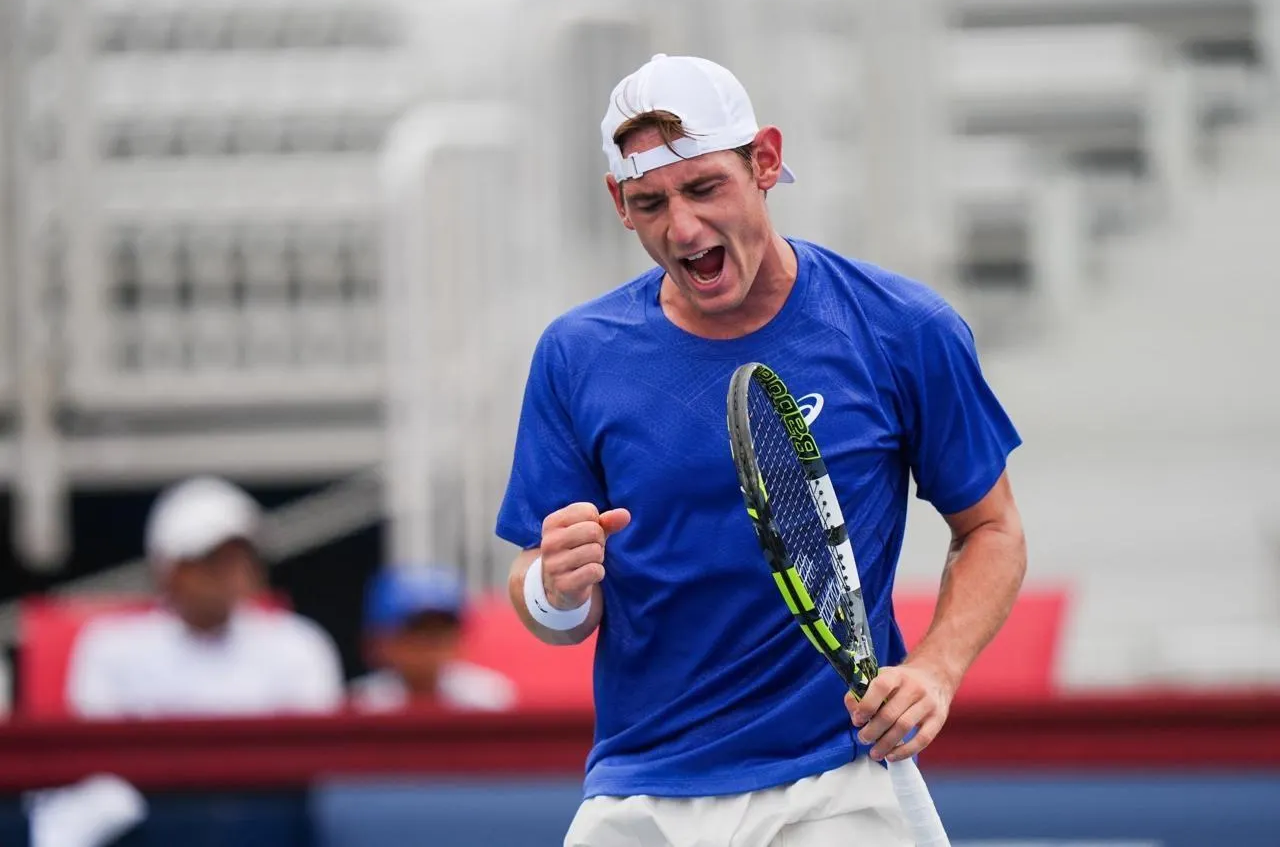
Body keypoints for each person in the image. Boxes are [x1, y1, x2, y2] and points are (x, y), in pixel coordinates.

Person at [495, 54, 1027, 846]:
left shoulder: (904, 327)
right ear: (619, 203)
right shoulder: (575, 355)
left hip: (840, 783)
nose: (681, 227)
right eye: (650, 202)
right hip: (639, 789)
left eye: (705, 187)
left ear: (766, 161)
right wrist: (553, 586)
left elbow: (992, 529)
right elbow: (555, 608)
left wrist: (935, 669)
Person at [65, 475, 345, 719]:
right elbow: (96, 770)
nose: (230, 574)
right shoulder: (111, 650)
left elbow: (311, 764)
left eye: (240, 558)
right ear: (168, 570)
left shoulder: (298, 646)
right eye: (211, 560)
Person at [351, 564, 516, 713]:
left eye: (442, 630)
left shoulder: (488, 699)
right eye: (417, 630)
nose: (430, 644)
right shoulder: (363, 705)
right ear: (380, 640)